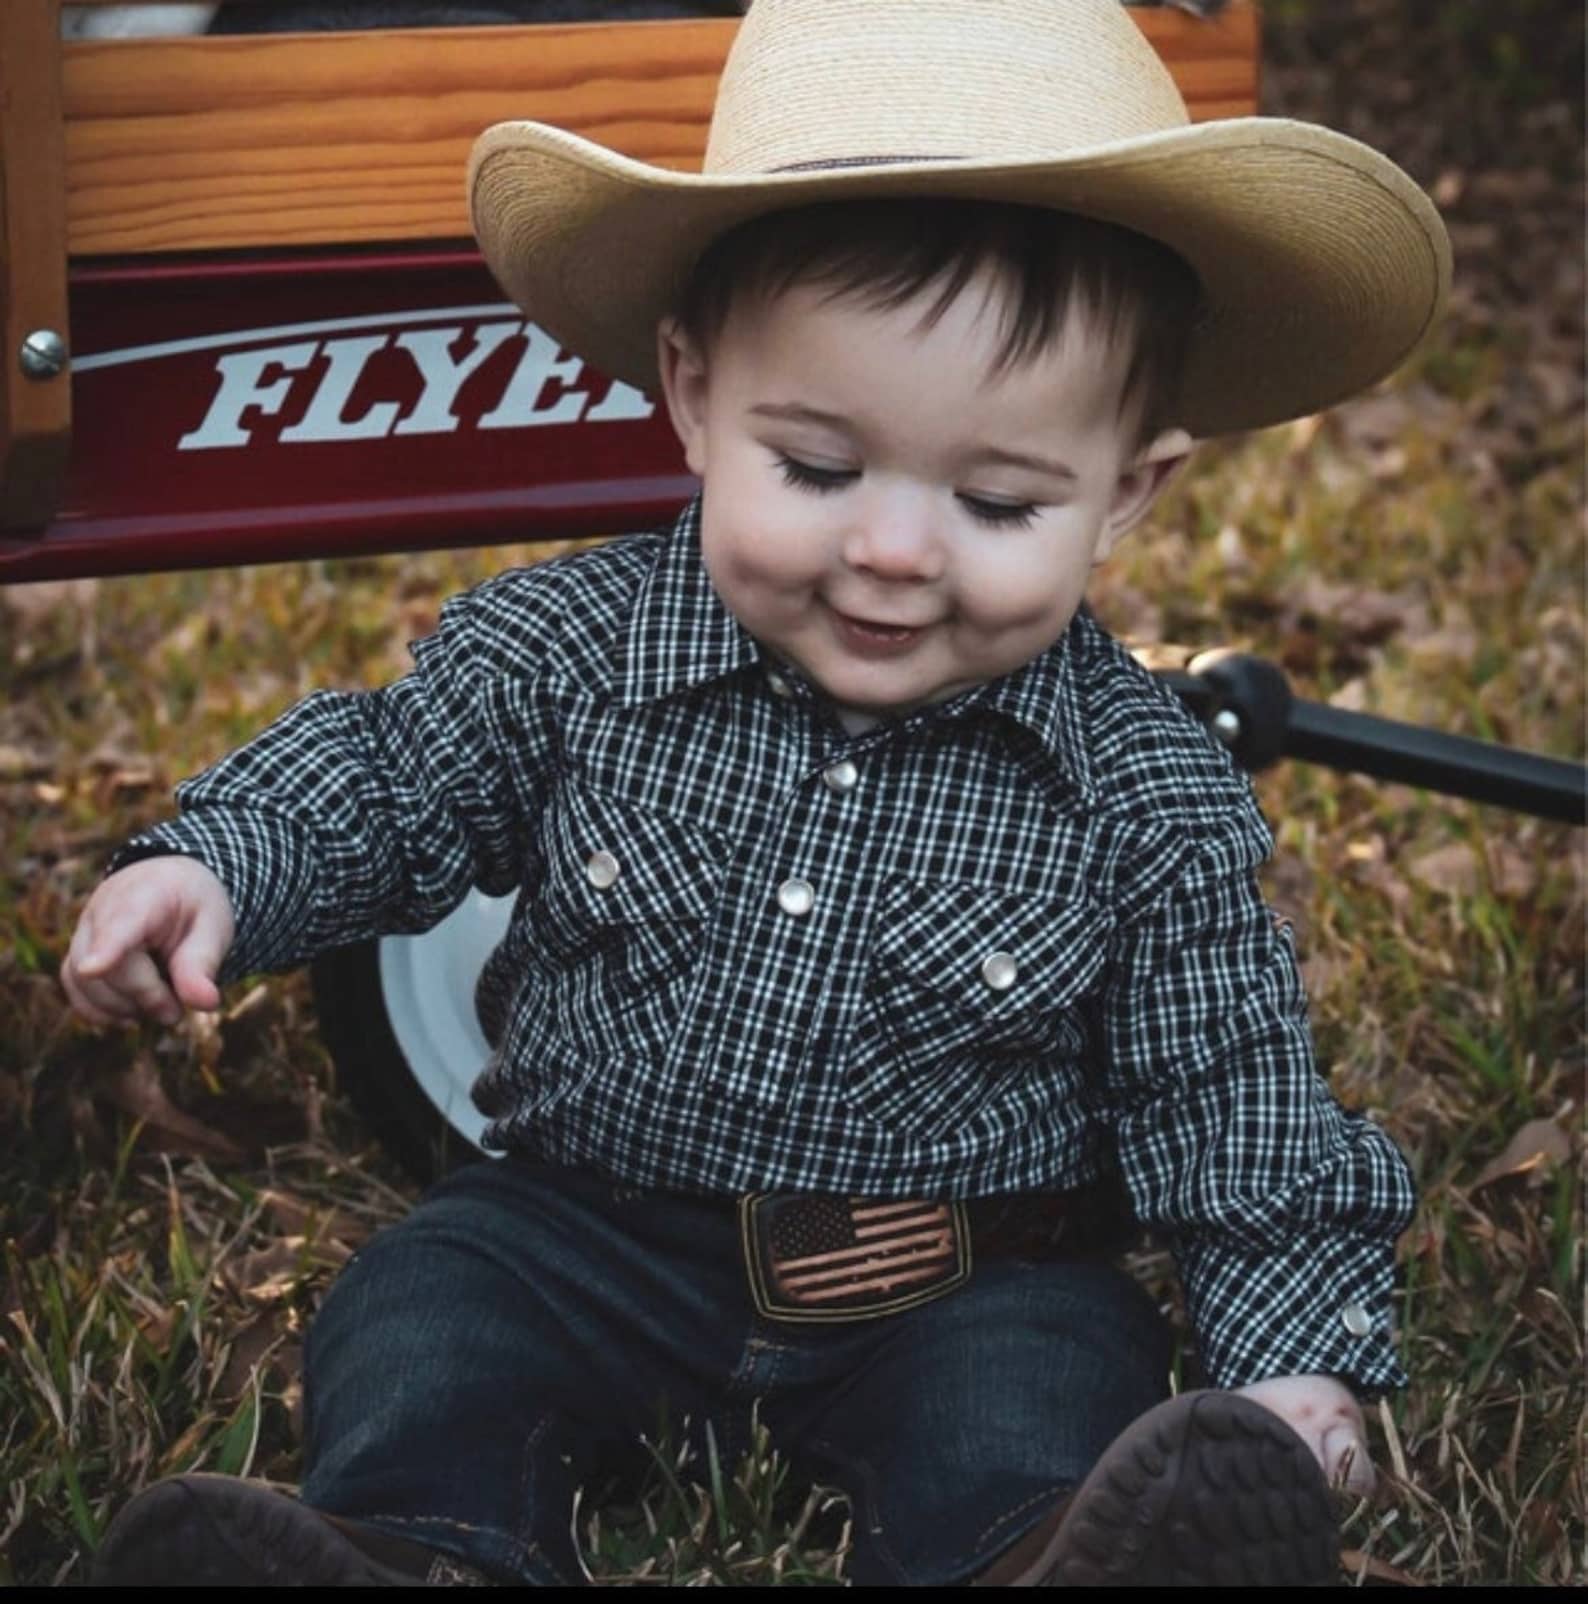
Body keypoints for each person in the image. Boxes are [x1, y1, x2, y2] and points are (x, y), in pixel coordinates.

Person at [63, 0, 1449, 1586]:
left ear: (1126, 489)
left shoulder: (1141, 791)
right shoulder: (570, 656)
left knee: (1045, 1389)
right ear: (697, 394)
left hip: (965, 1269)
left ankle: (1044, 1557)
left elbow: (1233, 1103)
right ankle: (413, 1548)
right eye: (817, 468)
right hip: (580, 1228)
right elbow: (388, 780)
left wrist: (1295, 1367)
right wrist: (217, 871)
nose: (895, 552)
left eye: (997, 499)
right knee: (427, 1312)